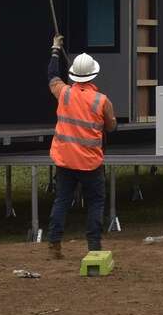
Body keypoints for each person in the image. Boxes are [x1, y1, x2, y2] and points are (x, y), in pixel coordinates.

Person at [46, 34, 117, 260]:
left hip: (65, 160)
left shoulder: (63, 93)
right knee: (96, 202)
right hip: (90, 162)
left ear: (74, 74)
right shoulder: (101, 100)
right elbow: (112, 126)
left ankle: (54, 243)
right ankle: (94, 246)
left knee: (62, 200)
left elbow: (52, 76)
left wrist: (55, 49)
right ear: (94, 73)